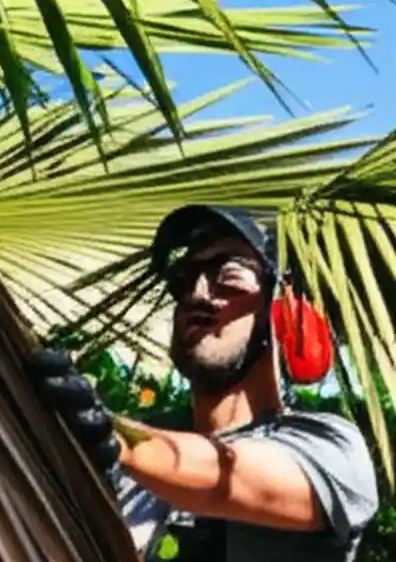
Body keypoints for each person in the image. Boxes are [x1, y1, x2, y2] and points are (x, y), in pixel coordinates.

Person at [29, 204, 379, 560]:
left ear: (281, 310)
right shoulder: (132, 444)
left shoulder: (331, 450)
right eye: (183, 278)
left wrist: (117, 438)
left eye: (229, 275)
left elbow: (224, 477)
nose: (197, 293)